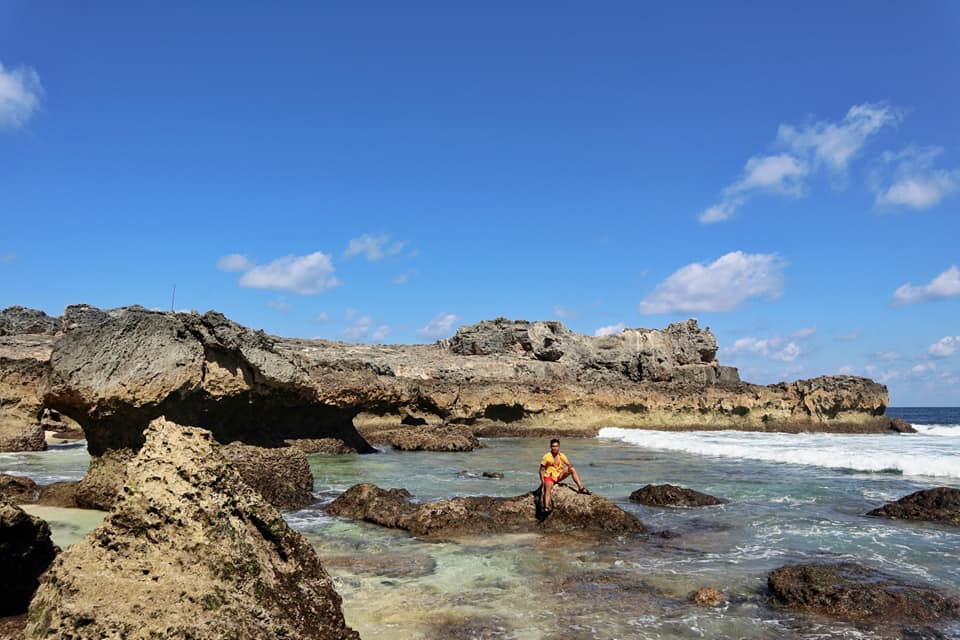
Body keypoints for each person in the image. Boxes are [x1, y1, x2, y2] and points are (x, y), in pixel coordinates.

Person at [539, 438, 590, 512]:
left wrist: (570, 466)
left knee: (572, 469)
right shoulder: (546, 457)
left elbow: (568, 464)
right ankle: (546, 507)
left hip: (559, 475)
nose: (555, 448)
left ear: (559, 447)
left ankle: (581, 488)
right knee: (548, 489)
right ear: (550, 447)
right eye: (553, 446)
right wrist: (543, 482)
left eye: (556, 446)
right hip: (549, 477)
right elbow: (541, 470)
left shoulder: (562, 455)